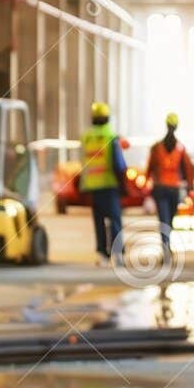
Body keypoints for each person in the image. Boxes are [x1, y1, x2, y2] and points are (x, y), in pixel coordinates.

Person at [79, 101, 126, 266]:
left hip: (92, 186)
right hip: (109, 185)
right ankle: (118, 253)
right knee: (114, 219)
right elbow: (119, 165)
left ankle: (102, 254)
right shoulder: (110, 137)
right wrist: (124, 185)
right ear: (107, 118)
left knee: (98, 220)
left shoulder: (86, 137)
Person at [146, 112, 194, 249]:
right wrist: (190, 187)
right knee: (170, 219)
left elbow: (150, 166)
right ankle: (167, 244)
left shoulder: (156, 147)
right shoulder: (180, 148)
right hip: (174, 188)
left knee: (164, 218)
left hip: (160, 188)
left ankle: (166, 244)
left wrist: (146, 183)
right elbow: (189, 168)